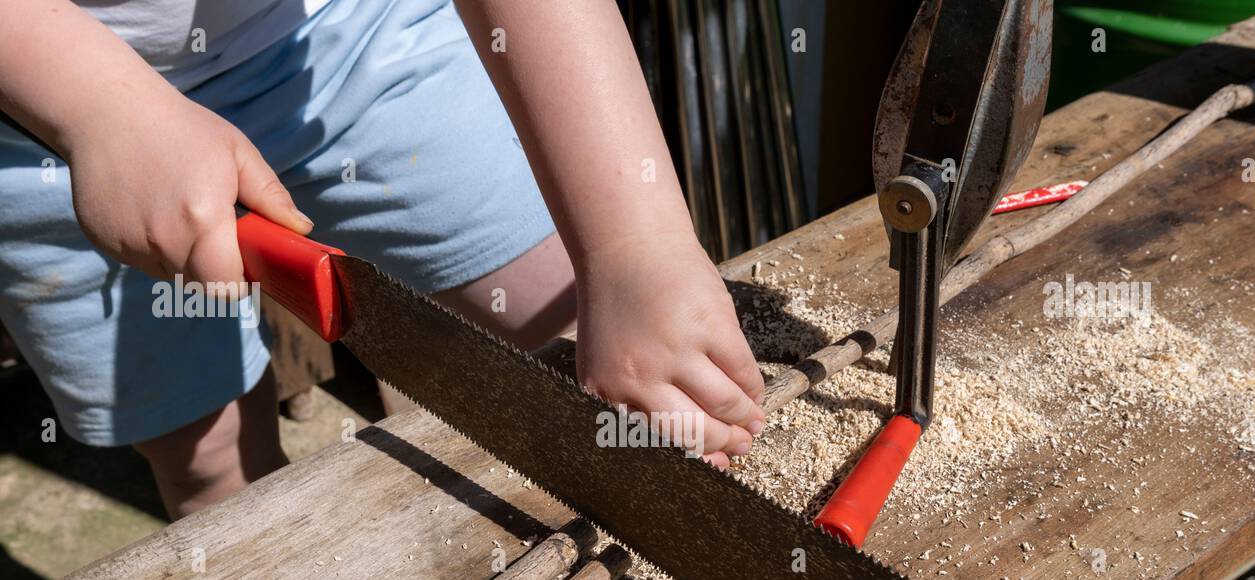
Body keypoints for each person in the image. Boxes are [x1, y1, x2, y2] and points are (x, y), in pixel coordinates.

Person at [0, 0, 766, 519]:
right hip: (40, 123)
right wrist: (97, 103)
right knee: (207, 458)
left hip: (347, 39)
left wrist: (635, 245)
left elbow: (625, 285)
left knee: (581, 324)